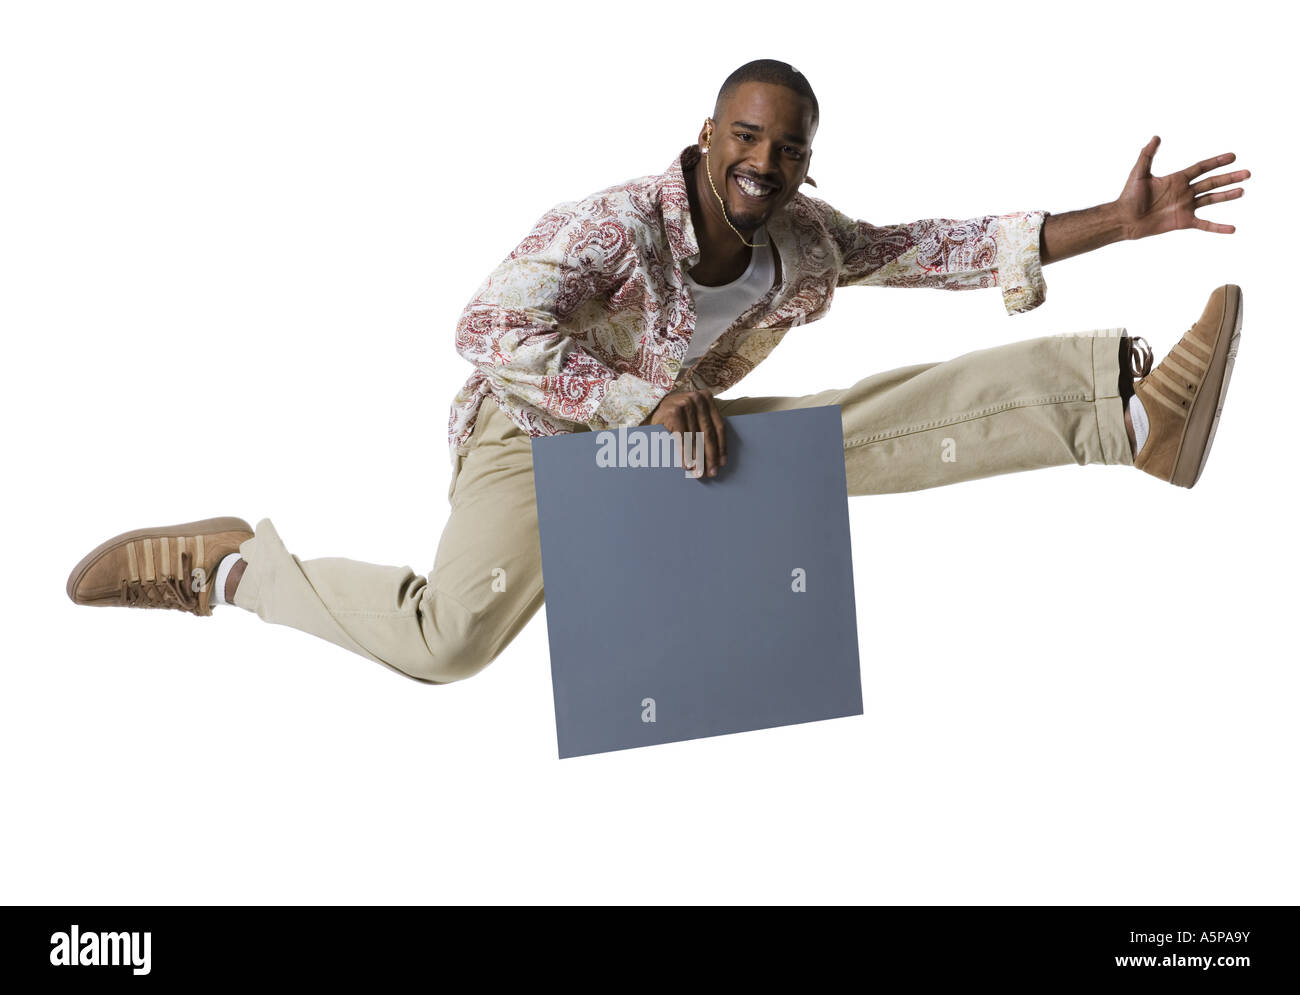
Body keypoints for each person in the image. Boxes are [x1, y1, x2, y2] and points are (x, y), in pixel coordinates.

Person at [65, 59, 1250, 686]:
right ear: (705, 136)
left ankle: (1124, 410)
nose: (765, 160)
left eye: (788, 147)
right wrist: (640, 395)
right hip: (527, 437)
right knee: (445, 645)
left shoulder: (801, 237)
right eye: (746, 136)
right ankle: (229, 565)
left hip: (668, 448)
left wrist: (1117, 221)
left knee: (836, 443)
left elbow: (925, 248)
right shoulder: (611, 226)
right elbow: (485, 327)